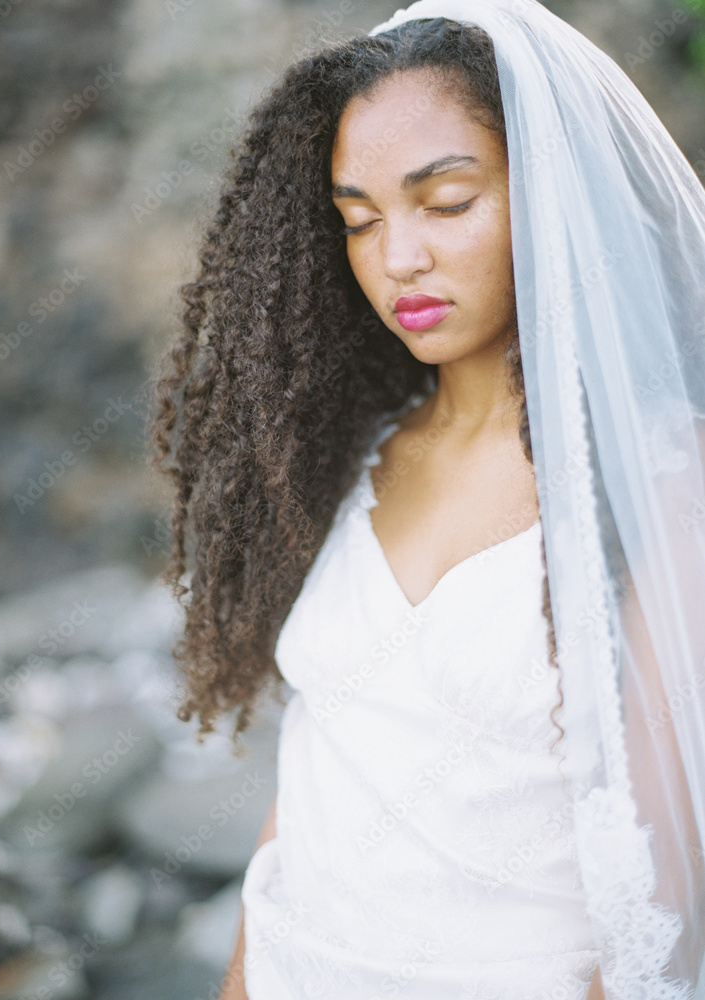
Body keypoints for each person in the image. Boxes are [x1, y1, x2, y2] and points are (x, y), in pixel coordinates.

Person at [152, 1, 705, 998]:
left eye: (445, 201)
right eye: (358, 220)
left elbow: (656, 906)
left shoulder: (660, 489)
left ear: (551, 192)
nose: (396, 256)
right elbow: (314, 787)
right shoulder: (355, 456)